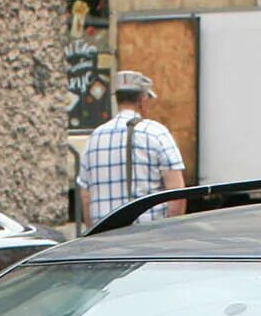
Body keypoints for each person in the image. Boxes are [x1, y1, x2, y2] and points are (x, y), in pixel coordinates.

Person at [76, 71, 185, 230]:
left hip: (104, 236)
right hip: (147, 236)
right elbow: (176, 192)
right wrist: (172, 232)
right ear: (142, 101)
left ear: (117, 99)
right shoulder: (157, 133)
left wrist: (93, 234)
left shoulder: (94, 138)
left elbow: (85, 195)